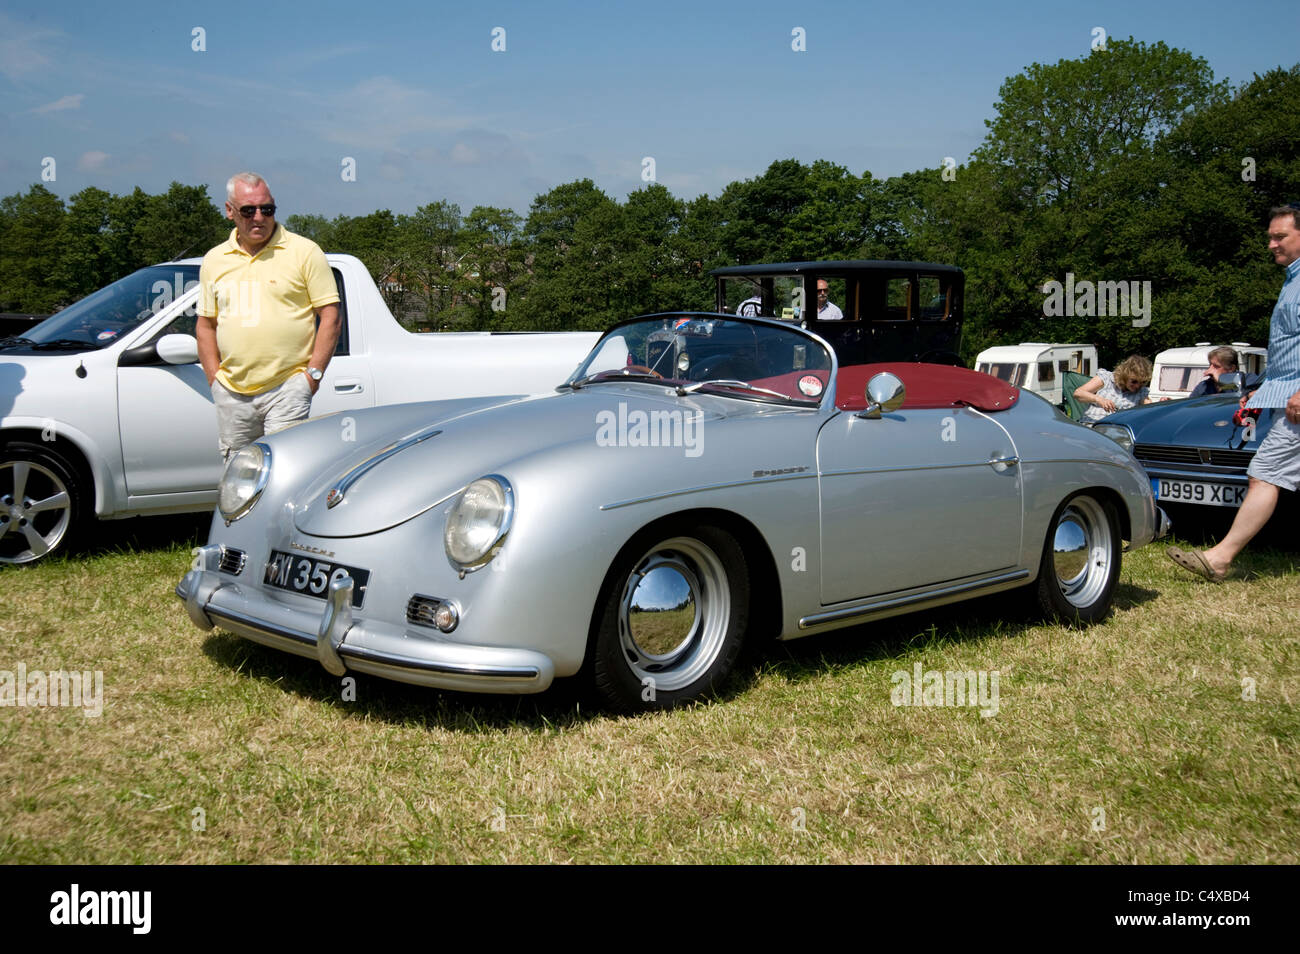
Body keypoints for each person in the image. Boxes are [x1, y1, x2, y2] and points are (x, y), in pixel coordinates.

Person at [1169, 204, 1300, 581]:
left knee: (1264, 472)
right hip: (1282, 395)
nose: (1272, 245)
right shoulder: (1291, 280)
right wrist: (1258, 391)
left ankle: (1221, 558)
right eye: (1270, 237)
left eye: (1280, 237)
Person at [197, 173, 341, 459]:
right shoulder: (214, 260)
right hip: (232, 393)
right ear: (230, 211)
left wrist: (311, 377)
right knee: (239, 477)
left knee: (284, 472)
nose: (259, 217)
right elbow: (205, 325)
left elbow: (331, 316)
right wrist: (215, 381)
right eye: (248, 210)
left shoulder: (304, 252)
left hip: (287, 388)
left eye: (267, 209)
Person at [1075, 354, 1153, 422]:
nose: (1137, 386)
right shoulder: (1106, 378)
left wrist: (1160, 404)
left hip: (1118, 429)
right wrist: (1099, 399)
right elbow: (1078, 393)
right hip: (1093, 423)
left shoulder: (1141, 392)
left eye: (1142, 382)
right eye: (1134, 381)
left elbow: (1149, 407)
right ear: (1125, 376)